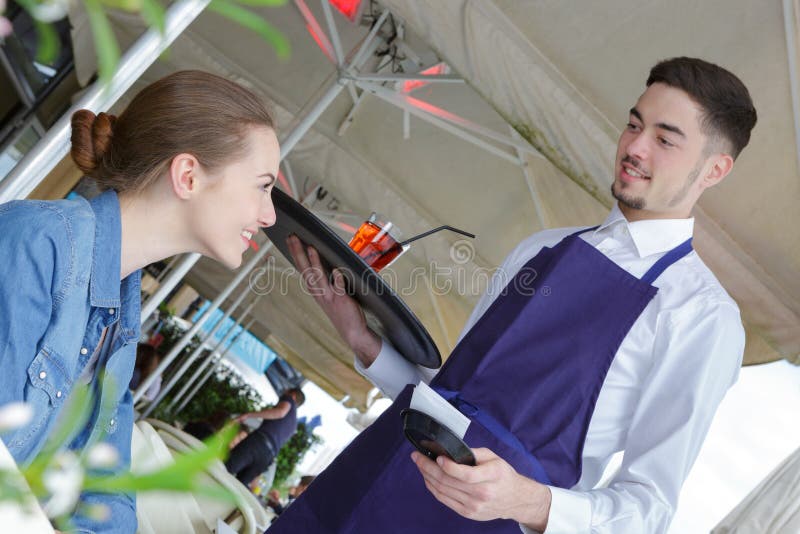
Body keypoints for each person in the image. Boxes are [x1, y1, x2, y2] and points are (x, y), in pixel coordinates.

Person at [268, 57, 757, 533]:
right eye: (634, 124)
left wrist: (529, 501)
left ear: (714, 170)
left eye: (664, 139)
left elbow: (648, 510)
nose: (635, 147)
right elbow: (448, 403)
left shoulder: (702, 318)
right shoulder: (541, 248)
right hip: (369, 477)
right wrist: (363, 341)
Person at [0, 70, 279, 532]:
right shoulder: (38, 243)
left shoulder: (120, 316)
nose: (269, 214)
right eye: (262, 185)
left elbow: (107, 487)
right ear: (188, 175)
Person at [226, 388, 305, 485]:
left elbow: (280, 412)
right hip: (268, 457)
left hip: (258, 442)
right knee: (238, 486)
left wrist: (249, 415)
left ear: (293, 395)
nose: (284, 392)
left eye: (287, 391)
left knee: (224, 469)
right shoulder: (293, 425)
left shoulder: (289, 400)